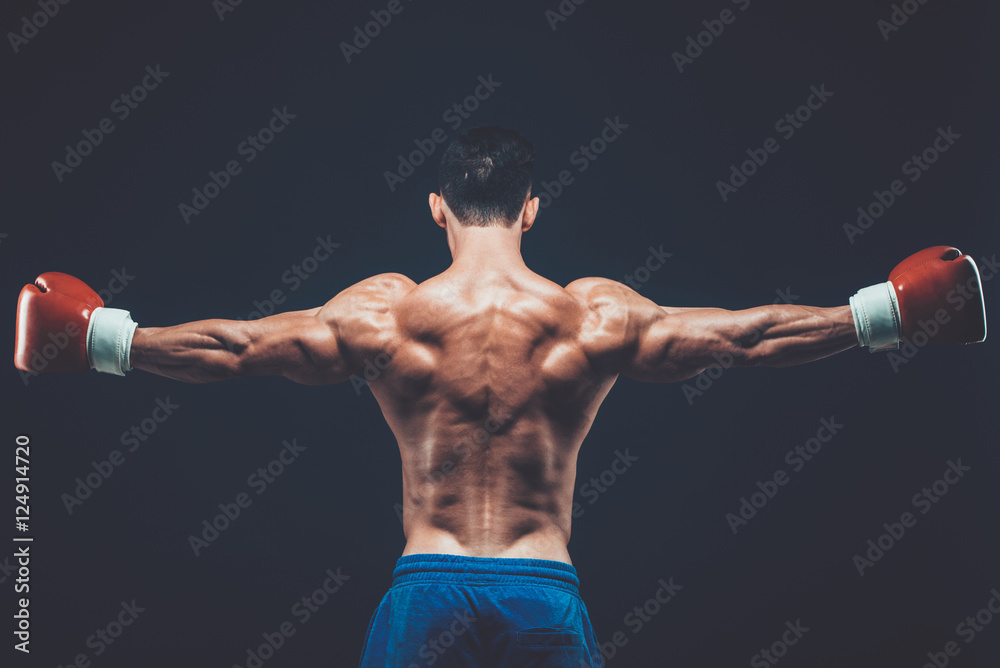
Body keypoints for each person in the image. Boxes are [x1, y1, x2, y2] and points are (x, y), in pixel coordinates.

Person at [14, 127, 987, 667]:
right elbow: (745, 334)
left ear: (434, 206)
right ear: (531, 208)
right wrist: (888, 315)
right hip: (541, 596)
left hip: (426, 591)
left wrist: (103, 336)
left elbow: (236, 350)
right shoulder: (590, 315)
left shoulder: (388, 314)